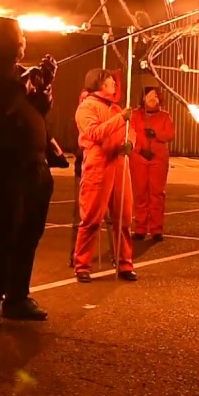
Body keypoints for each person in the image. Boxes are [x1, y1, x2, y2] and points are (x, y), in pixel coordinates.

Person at [0, 17, 56, 326]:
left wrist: (45, 84)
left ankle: (17, 297)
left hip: (36, 166)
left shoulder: (19, 74)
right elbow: (3, 107)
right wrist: (27, 83)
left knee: (30, 233)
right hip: (7, 167)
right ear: (4, 41)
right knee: (7, 232)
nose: (24, 41)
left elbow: (39, 110)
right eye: (19, 36)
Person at [72, 68, 137, 283]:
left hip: (120, 163)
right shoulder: (86, 107)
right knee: (92, 218)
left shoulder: (117, 108)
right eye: (110, 81)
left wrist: (131, 143)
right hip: (98, 164)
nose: (114, 85)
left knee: (124, 218)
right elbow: (94, 133)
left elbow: (131, 130)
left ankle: (125, 262)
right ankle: (82, 264)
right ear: (99, 83)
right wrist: (119, 119)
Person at [129, 85, 176, 240]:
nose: (152, 98)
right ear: (143, 99)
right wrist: (139, 150)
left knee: (157, 193)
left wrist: (156, 134)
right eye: (149, 96)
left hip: (158, 159)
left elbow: (170, 134)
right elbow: (131, 133)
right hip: (139, 158)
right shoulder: (135, 115)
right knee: (140, 193)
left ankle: (156, 229)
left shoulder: (165, 116)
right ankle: (141, 228)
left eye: (155, 96)